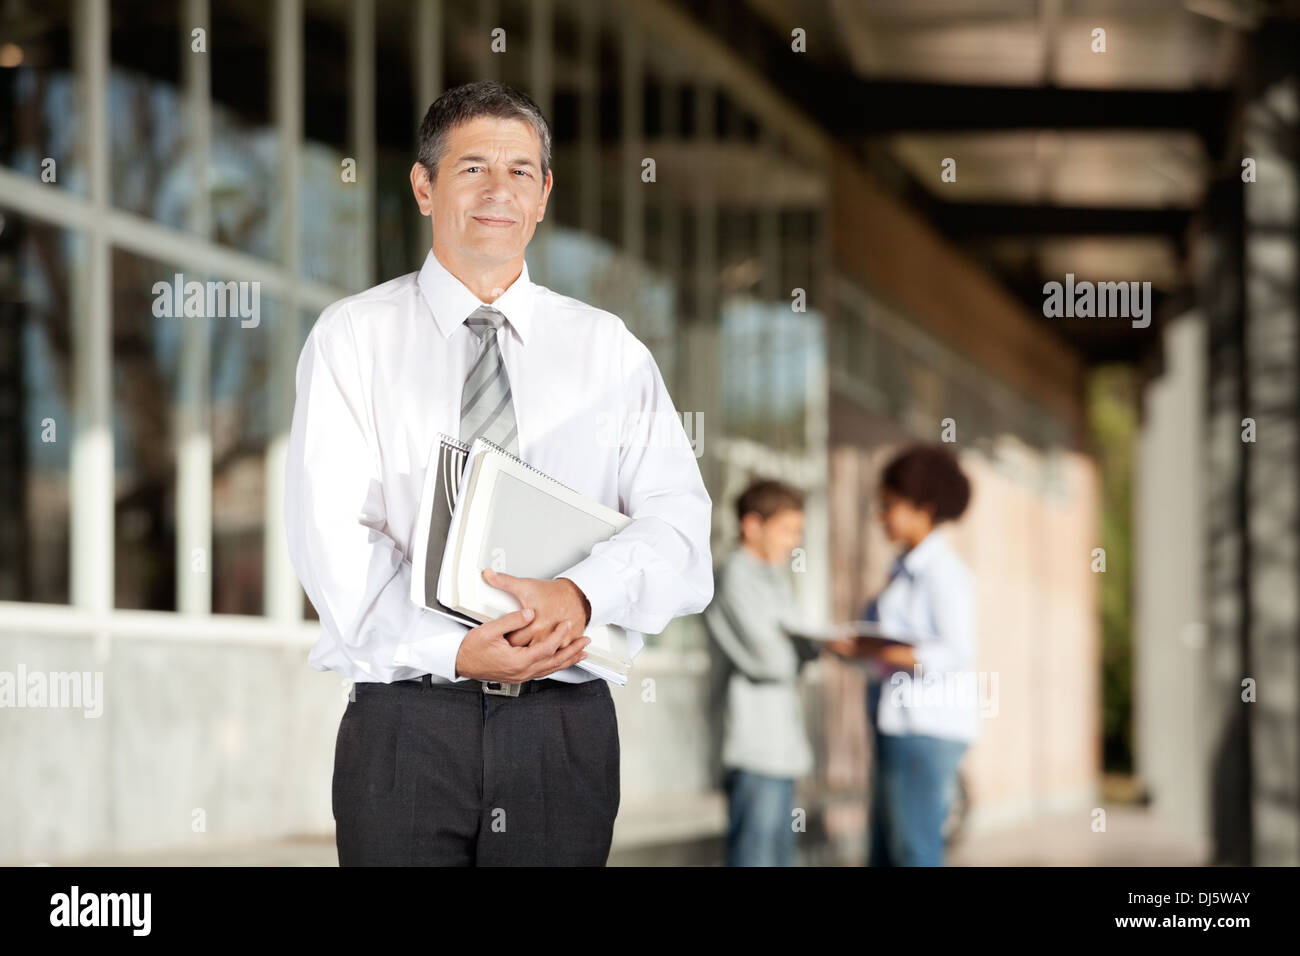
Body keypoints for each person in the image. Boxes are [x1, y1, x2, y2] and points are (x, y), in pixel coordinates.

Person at [284, 81, 714, 866]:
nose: (498, 191)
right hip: (410, 724)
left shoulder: (608, 353)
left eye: (521, 172)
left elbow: (679, 529)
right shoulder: (355, 339)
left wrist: (582, 594)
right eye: (472, 167)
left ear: (545, 195)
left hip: (563, 729)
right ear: (424, 187)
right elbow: (334, 540)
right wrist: (453, 650)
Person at [827, 444, 977, 866]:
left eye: (889, 505)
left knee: (913, 851)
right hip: (897, 725)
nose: (881, 516)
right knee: (886, 851)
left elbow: (954, 652)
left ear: (923, 507)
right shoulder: (904, 569)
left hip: (924, 730)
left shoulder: (943, 572)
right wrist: (856, 650)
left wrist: (882, 650)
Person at [704, 479, 826, 866]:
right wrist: (800, 647)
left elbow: (798, 645)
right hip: (753, 749)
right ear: (752, 525)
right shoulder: (734, 577)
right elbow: (771, 659)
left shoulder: (774, 578)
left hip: (781, 746)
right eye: (787, 530)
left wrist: (801, 645)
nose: (794, 542)